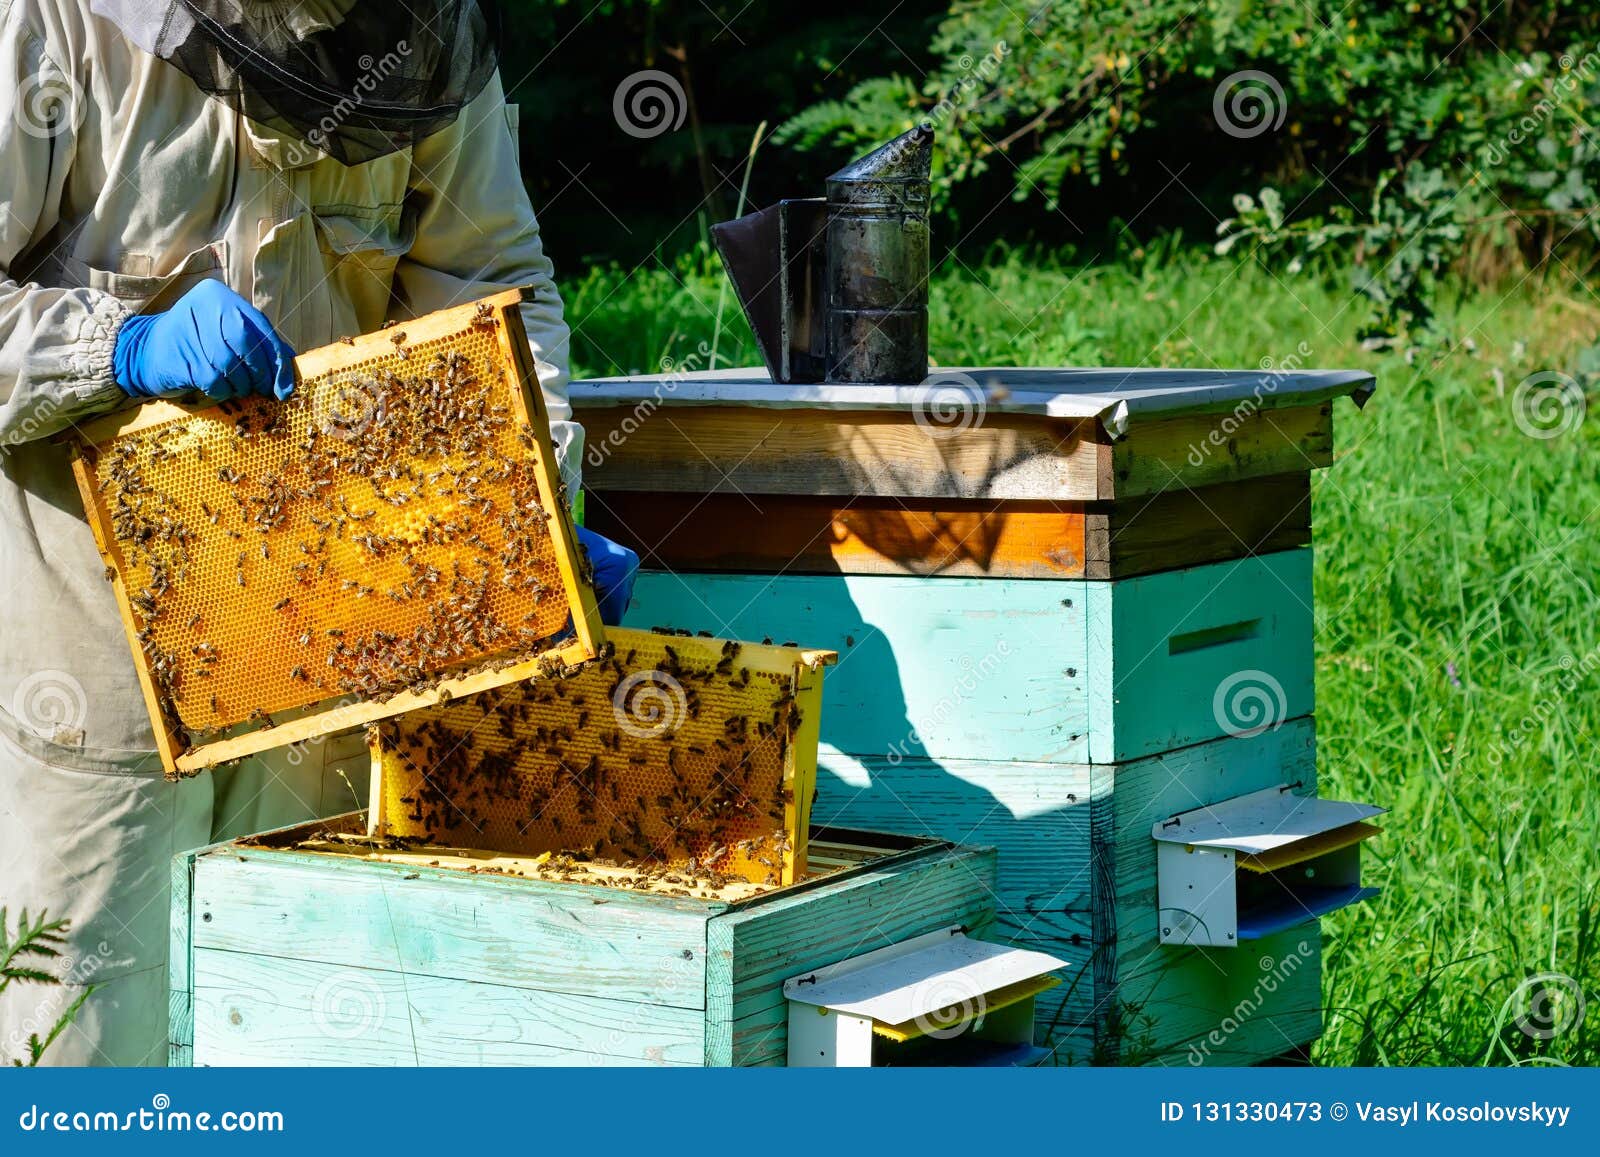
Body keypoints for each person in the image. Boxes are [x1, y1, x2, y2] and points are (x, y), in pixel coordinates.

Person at [0, 0, 637, 1065]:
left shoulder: (425, 32)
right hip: (93, 654)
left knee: (304, 1030)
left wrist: (537, 507)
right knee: (83, 1042)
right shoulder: (51, 24)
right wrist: (118, 348)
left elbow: (493, 277)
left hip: (335, 638)